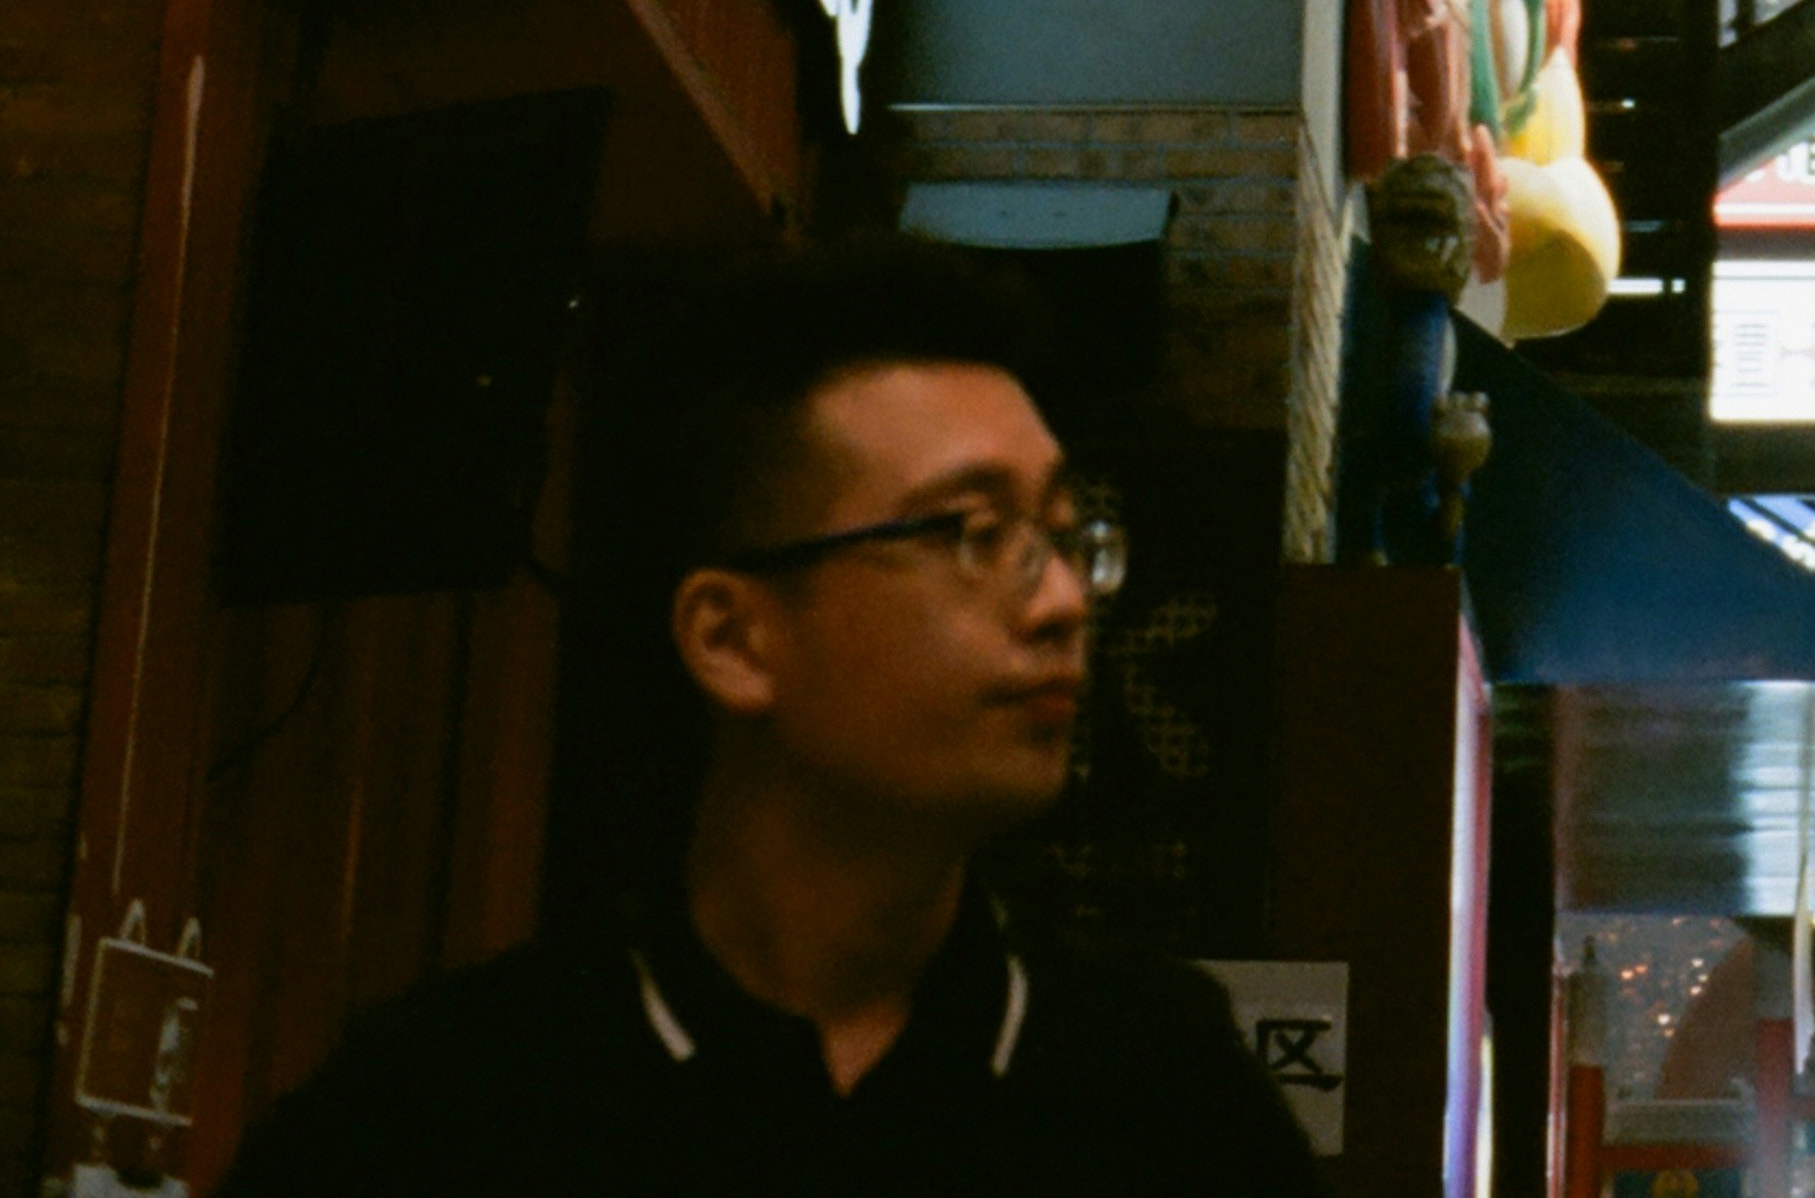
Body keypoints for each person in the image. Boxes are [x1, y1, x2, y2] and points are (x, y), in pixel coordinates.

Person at [223, 241, 1314, 1184]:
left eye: (1072, 536)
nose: (1065, 601)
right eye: (973, 533)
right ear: (730, 638)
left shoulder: (1160, 1106)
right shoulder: (446, 1116)